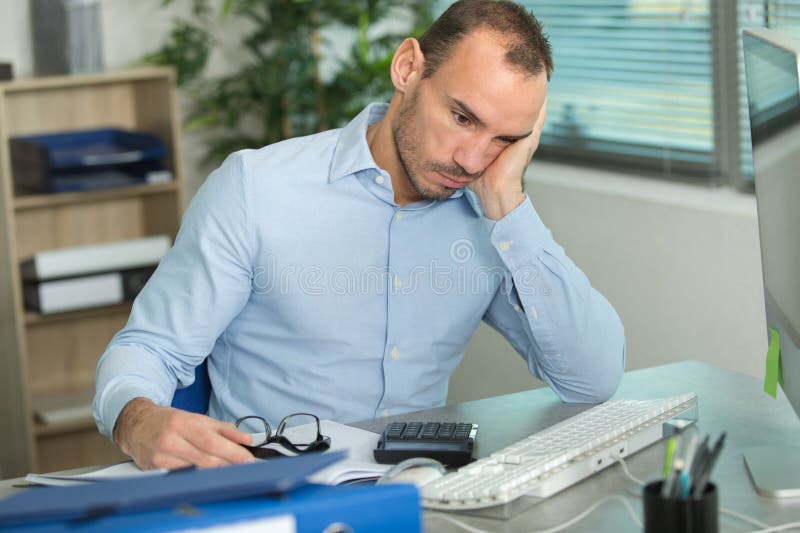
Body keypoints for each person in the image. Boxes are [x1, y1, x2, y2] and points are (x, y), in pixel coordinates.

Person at [94, 0, 626, 470]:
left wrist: (509, 206)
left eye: (503, 140)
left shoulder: (492, 218)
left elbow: (592, 379)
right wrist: (138, 421)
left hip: (418, 497)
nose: (472, 159)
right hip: (275, 494)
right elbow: (150, 348)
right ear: (408, 68)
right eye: (462, 118)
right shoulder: (256, 188)